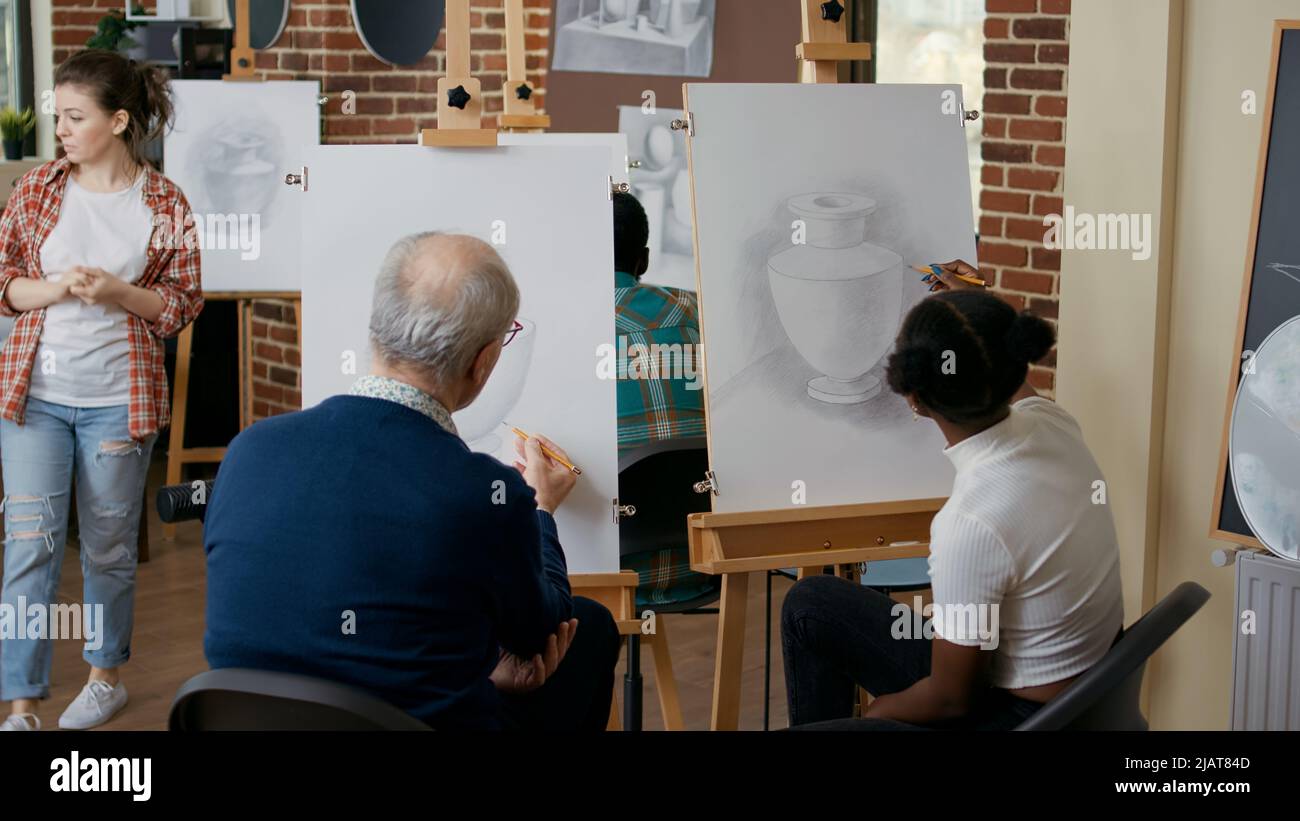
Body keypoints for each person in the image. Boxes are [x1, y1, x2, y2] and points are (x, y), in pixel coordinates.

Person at [202, 232, 621, 731]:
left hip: (254, 723)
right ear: (482, 362)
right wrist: (541, 512)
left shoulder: (251, 448)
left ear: (378, 324)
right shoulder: (483, 493)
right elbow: (542, 629)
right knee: (590, 625)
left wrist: (473, 670)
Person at [781, 261, 1124, 730]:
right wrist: (973, 306)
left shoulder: (972, 522)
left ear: (913, 399)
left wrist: (880, 714)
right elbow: (1011, 376)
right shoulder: (1054, 426)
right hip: (1087, 691)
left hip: (1018, 716)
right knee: (811, 602)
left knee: (870, 707)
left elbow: (951, 701)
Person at [0, 50, 203, 731]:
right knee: (29, 544)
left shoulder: (165, 203)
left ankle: (104, 675)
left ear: (119, 121)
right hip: (34, 398)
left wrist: (120, 293)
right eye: (59, 116)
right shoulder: (37, 191)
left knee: (110, 546)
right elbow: (4, 287)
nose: (61, 129)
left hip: (122, 399)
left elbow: (182, 302)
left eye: (75, 118)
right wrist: (55, 287)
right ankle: (21, 702)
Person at [612, 191, 712, 608]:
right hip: (711, 560)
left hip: (605, 569)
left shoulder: (565, 329)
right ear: (644, 260)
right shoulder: (701, 312)